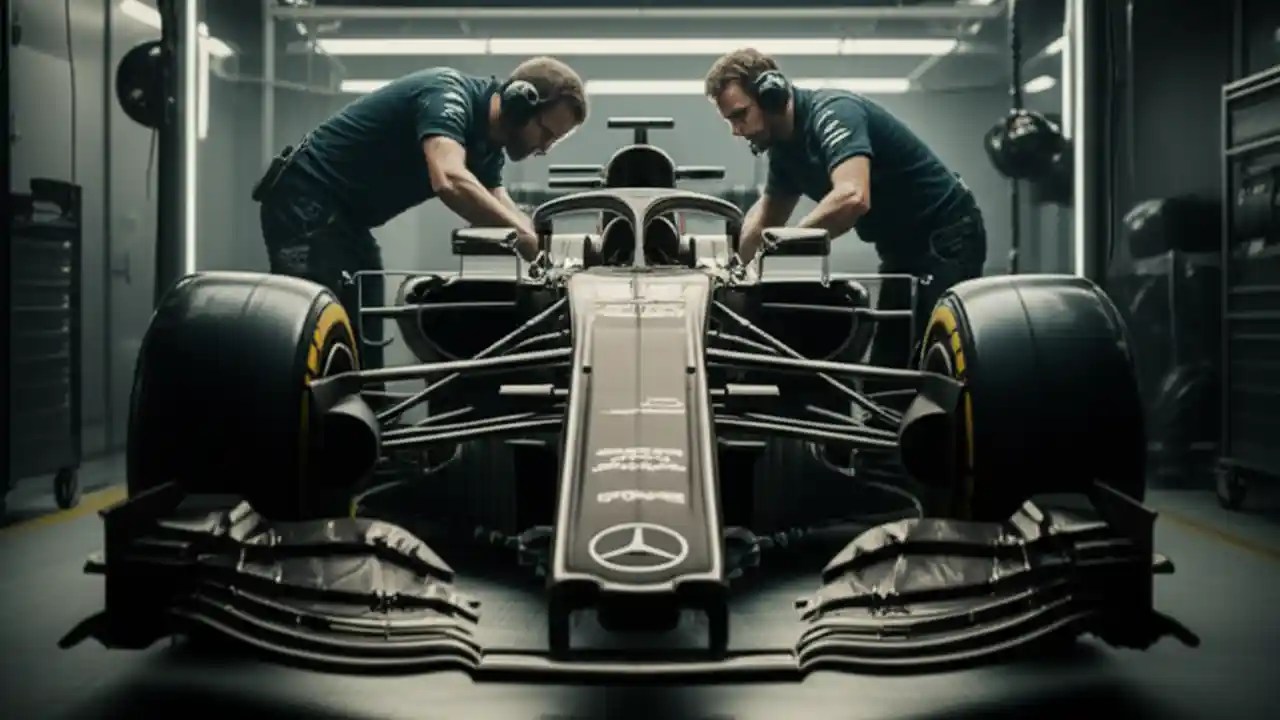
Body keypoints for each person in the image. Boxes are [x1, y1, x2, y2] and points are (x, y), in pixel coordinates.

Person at [252, 57, 588, 370]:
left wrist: (551, 255)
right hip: (306, 201)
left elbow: (504, 207)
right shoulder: (447, 95)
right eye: (545, 133)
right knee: (321, 336)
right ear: (519, 103)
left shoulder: (487, 151)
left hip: (345, 222)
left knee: (362, 342)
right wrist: (526, 240)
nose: (543, 148)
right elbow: (449, 179)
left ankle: (362, 423)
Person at [703, 48, 987, 370]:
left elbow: (852, 198)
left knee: (930, 364)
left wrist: (781, 248)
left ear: (771, 95)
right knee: (888, 373)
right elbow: (766, 215)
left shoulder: (834, 113)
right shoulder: (784, 151)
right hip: (899, 249)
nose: (736, 130)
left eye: (740, 115)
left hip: (946, 236)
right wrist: (732, 274)